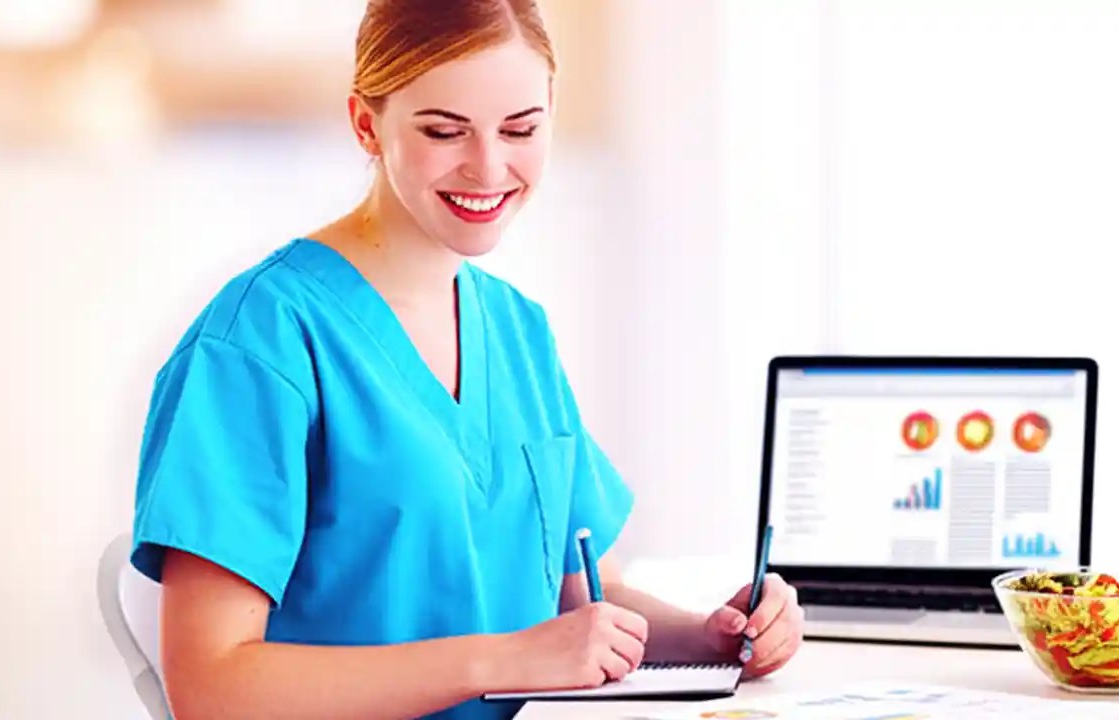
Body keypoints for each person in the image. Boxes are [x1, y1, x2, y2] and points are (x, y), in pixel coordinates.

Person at [127, 1, 804, 718]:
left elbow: (576, 593)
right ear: (366, 123)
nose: (488, 167)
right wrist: (501, 659)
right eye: (445, 131)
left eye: (521, 129)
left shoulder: (518, 329)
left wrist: (714, 635)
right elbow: (212, 686)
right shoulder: (259, 342)